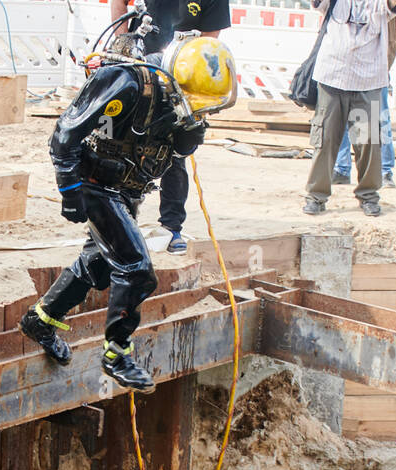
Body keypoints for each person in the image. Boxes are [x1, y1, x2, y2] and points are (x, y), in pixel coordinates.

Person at [20, 34, 237, 393]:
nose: (199, 113)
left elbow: (173, 163)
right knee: (136, 270)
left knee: (100, 262)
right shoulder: (125, 83)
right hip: (94, 182)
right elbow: (64, 136)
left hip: (126, 187)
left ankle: (41, 320)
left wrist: (187, 136)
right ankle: (116, 352)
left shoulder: (177, 102)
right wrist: (69, 190)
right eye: (196, 106)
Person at [109, 0, 232, 252]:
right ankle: (120, 220)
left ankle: (172, 226)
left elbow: (209, 43)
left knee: (174, 153)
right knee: (123, 144)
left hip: (180, 76)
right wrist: (123, 42)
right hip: (137, 66)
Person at [304, 0, 396, 218]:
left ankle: (368, 195)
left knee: (369, 142)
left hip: (369, 78)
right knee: (325, 140)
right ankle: (316, 196)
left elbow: (393, 7)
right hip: (332, 73)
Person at [331, 84, 396, 186]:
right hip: (345, 76)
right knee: (341, 117)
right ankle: (341, 168)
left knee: (379, 117)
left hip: (373, 76)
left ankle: (383, 170)